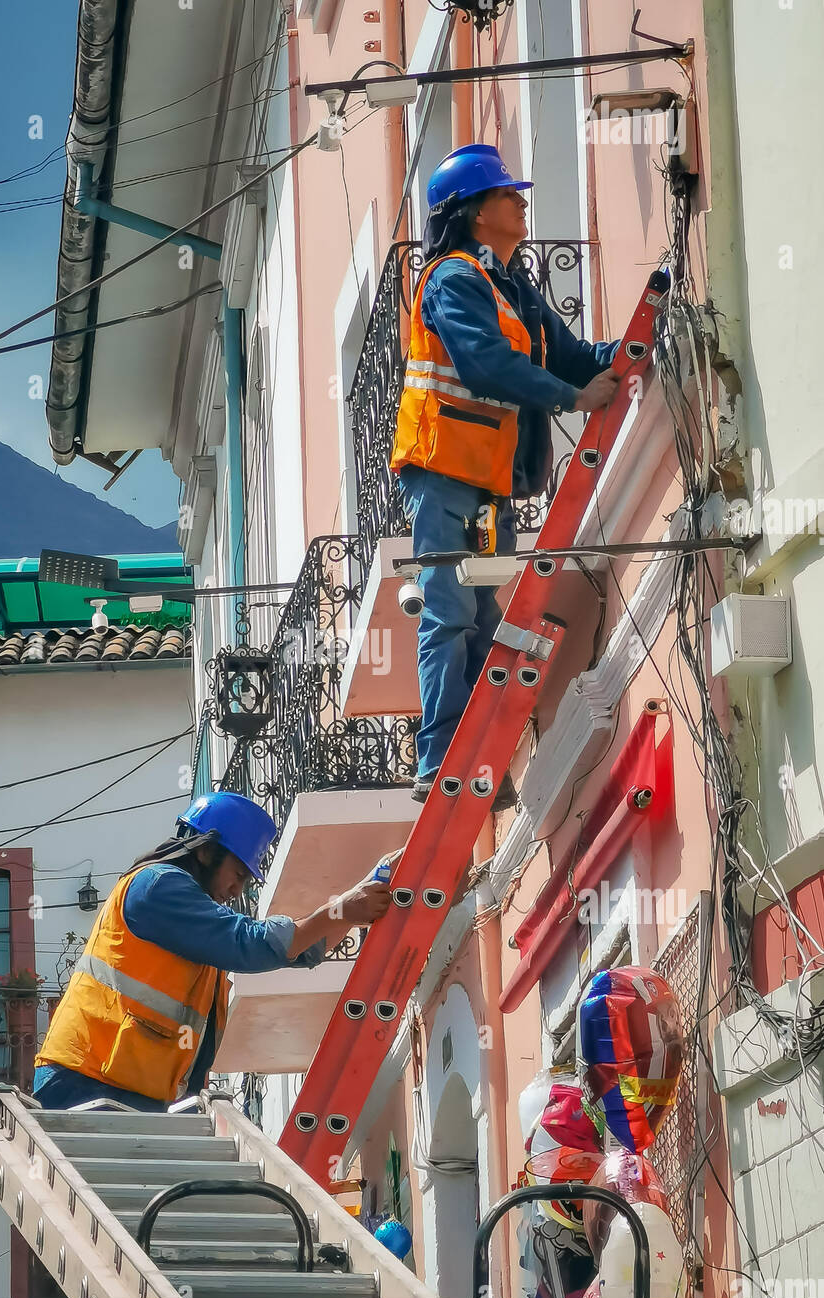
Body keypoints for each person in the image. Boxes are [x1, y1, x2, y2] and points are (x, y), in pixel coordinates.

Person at [390, 143, 621, 804]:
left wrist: (631, 349)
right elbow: (486, 363)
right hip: (443, 471)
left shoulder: (510, 283)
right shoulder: (453, 277)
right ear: (472, 211)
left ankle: (479, 763)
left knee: (489, 621)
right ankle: (438, 763)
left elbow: (572, 354)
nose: (520, 203)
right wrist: (571, 397)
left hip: (488, 478)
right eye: (506, 194)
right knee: (450, 612)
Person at [33, 792, 397, 1111]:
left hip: (121, 1089)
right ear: (206, 851)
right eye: (238, 874)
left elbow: (301, 949)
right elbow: (251, 945)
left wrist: (353, 907)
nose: (237, 890)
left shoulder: (191, 918)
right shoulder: (158, 887)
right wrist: (341, 910)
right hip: (84, 1084)